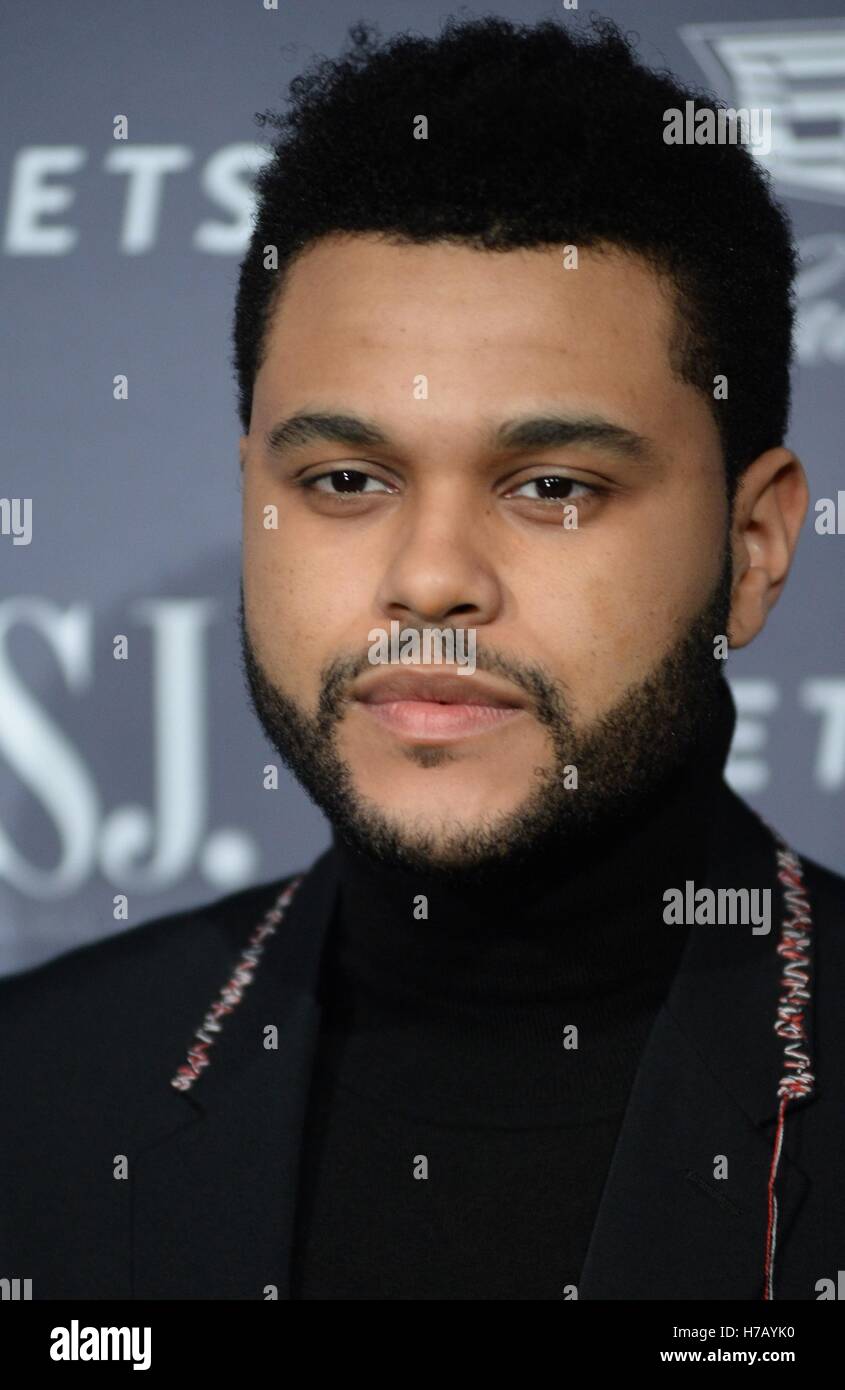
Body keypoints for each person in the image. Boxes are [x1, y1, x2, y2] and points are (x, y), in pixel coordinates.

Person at [2, 14, 843, 1302]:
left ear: (754, 545)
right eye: (345, 478)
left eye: (552, 484)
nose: (429, 577)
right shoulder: (37, 1091)